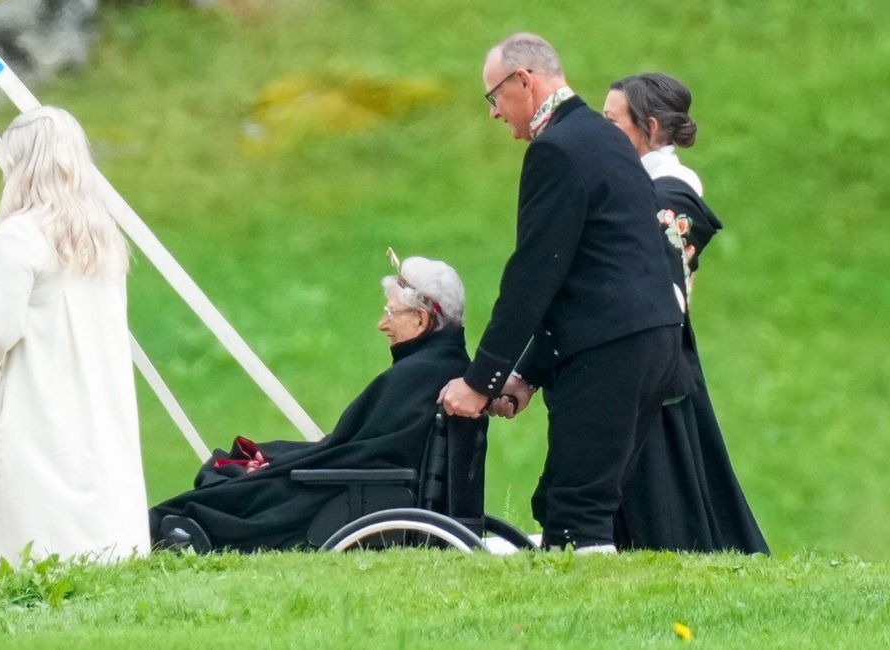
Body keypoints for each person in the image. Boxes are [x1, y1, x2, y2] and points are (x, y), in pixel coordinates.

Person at [439, 33, 693, 554]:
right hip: (651, 339)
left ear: (524, 82)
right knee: (575, 498)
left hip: (613, 350)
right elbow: (592, 274)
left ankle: (591, 627)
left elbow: (536, 275)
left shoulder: (556, 149)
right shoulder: (603, 139)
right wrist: (529, 375)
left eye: (493, 97)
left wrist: (479, 381)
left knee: (577, 511)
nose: (493, 113)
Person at [0, 106, 150, 570]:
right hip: (93, 389)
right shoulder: (102, 236)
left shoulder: (18, 235)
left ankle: (35, 573)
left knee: (37, 489)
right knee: (91, 468)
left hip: (36, 395)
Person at [150, 253, 469, 552]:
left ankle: (186, 526)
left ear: (420, 320)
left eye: (390, 313)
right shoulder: (445, 367)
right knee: (249, 460)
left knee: (241, 484)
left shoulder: (415, 375)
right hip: (368, 475)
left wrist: (291, 465)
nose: (381, 324)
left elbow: (360, 454)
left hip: (357, 488)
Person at [603, 73, 768, 553]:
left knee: (662, 478)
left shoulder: (671, 191)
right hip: (649, 348)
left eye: (612, 121)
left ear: (650, 127)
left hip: (655, 351)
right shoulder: (647, 184)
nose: (603, 131)